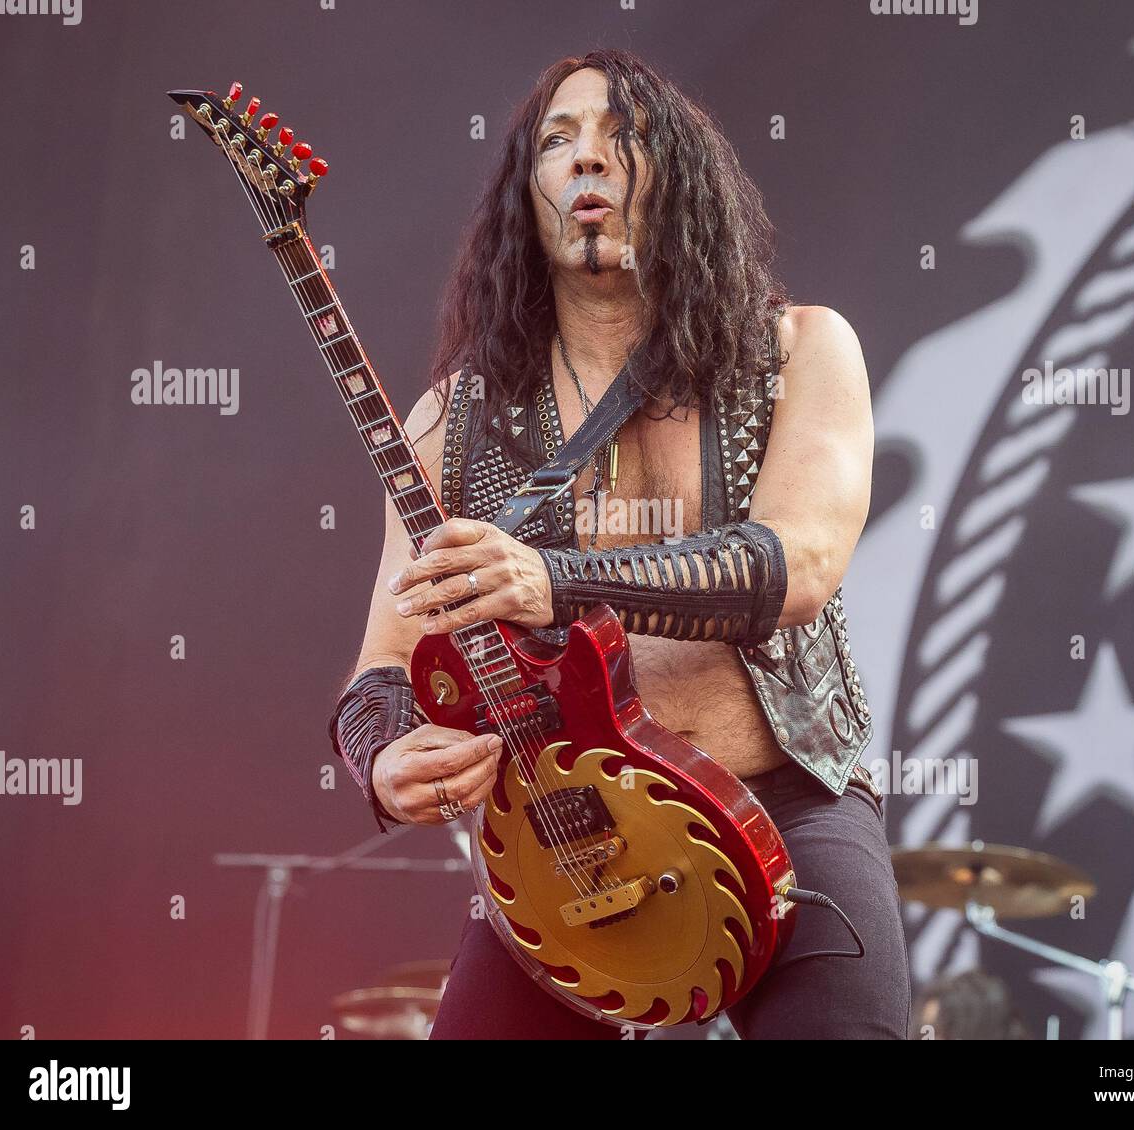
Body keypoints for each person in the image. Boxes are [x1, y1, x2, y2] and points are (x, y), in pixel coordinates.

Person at [329, 48, 909, 1039]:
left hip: (791, 807)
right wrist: (383, 756)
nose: (587, 159)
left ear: (679, 180)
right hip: (570, 846)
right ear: (529, 198)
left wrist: (546, 579)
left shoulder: (799, 352)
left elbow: (796, 566)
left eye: (623, 137)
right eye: (559, 142)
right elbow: (381, 667)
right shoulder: (447, 422)